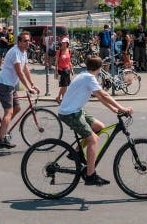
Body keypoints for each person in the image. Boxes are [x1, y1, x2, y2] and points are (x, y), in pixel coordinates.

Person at [57, 56, 133, 186]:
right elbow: (104, 94)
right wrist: (122, 108)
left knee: (99, 126)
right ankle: (90, 174)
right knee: (93, 139)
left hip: (75, 110)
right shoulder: (89, 78)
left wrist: (113, 109)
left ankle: (76, 152)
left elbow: (99, 96)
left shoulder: (85, 75)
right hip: (70, 113)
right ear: (99, 68)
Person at [0, 31, 40, 149]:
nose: (28, 43)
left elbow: (25, 68)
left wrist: (32, 84)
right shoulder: (15, 52)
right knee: (8, 112)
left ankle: (1, 130)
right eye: (25, 41)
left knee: (17, 108)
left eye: (29, 40)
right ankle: (1, 139)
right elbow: (19, 72)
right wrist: (28, 88)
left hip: (11, 84)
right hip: (4, 84)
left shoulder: (23, 52)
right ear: (19, 42)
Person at [54, 36, 74, 103]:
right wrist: (56, 71)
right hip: (61, 70)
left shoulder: (69, 51)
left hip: (67, 70)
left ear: (67, 43)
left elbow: (69, 61)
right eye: (62, 42)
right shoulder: (59, 52)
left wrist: (72, 69)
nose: (63, 44)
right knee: (64, 85)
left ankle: (60, 98)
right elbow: (56, 62)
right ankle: (62, 98)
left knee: (65, 86)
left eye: (64, 43)